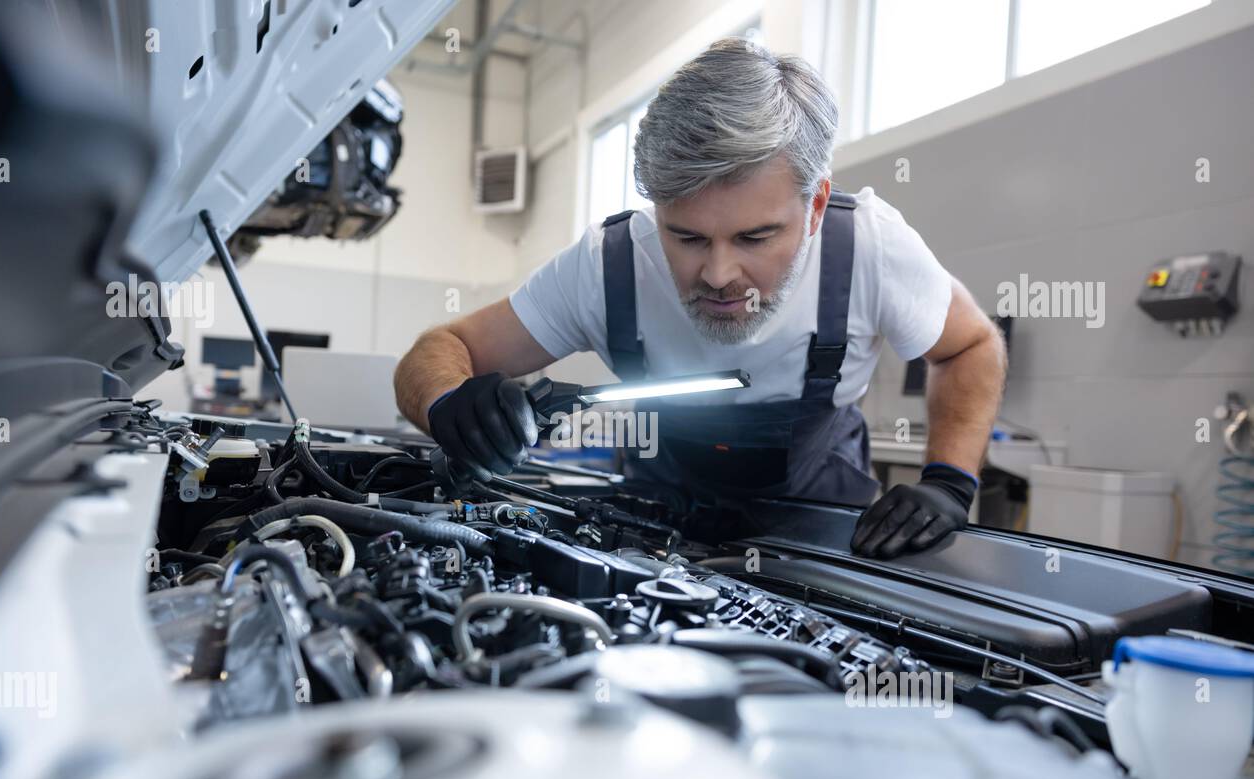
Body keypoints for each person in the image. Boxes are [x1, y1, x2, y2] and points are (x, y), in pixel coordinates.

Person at [395, 38, 1006, 559]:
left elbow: (972, 346)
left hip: (823, 532)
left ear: (815, 205)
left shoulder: (869, 247)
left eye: (755, 237)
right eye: (686, 236)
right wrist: (450, 403)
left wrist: (949, 481)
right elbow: (439, 348)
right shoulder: (606, 265)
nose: (717, 274)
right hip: (654, 531)